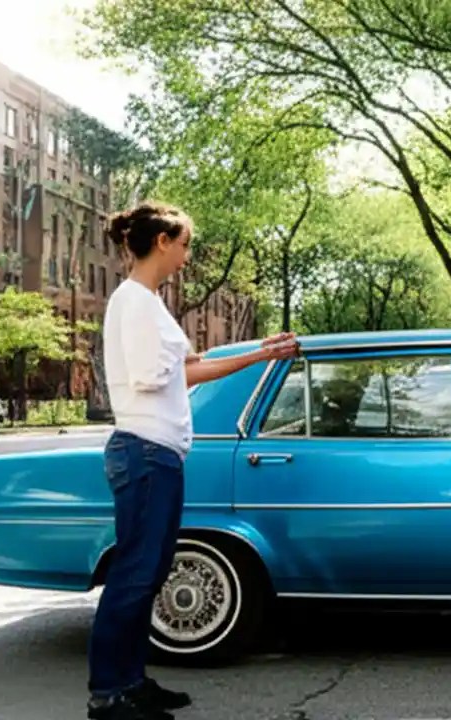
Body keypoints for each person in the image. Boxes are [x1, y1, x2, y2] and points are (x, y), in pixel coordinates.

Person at [87, 202, 299, 720]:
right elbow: (164, 374)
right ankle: (109, 694)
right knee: (135, 574)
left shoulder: (150, 303)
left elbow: (190, 368)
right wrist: (247, 358)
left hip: (158, 454)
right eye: (184, 244)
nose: (186, 255)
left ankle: (132, 682)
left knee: (150, 571)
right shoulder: (133, 302)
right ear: (162, 241)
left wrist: (260, 354)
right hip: (143, 452)